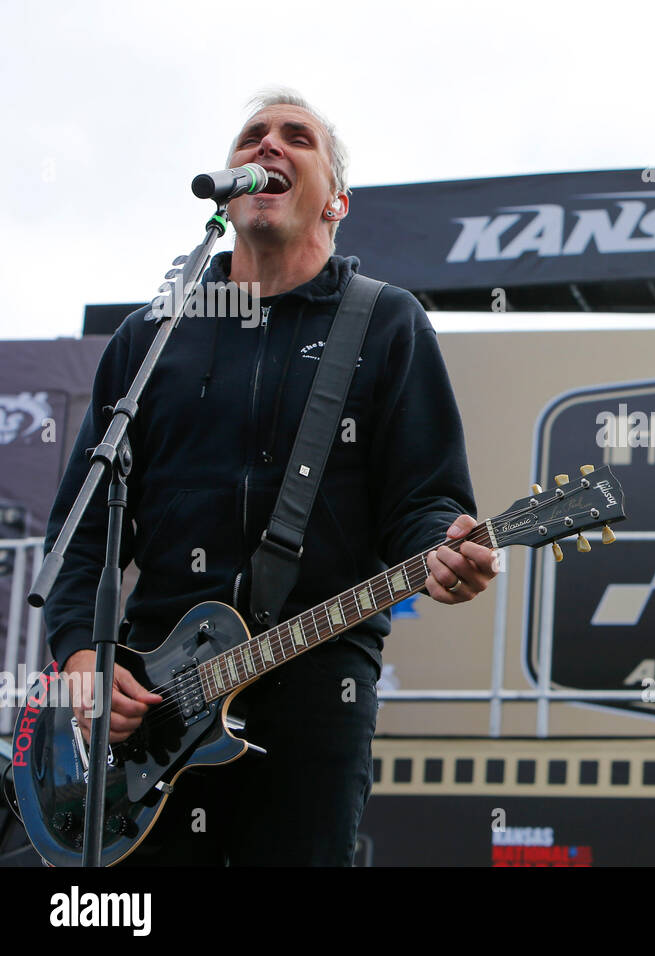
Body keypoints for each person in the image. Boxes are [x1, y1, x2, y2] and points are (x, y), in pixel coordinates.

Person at [41, 89, 496, 865]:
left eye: (297, 138)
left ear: (336, 203)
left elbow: (426, 502)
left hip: (315, 687)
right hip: (149, 700)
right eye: (252, 136)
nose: (268, 147)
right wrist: (85, 659)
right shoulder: (155, 333)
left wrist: (446, 550)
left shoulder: (385, 322)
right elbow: (80, 533)